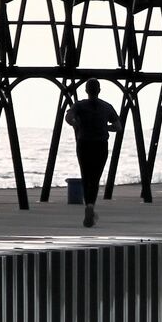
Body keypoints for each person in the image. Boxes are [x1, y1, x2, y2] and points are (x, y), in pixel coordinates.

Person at [65, 79, 119, 227]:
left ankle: (88, 206)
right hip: (101, 145)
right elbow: (118, 126)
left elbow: (68, 117)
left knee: (85, 175)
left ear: (86, 90)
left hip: (84, 144)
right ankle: (90, 206)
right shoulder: (107, 107)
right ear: (99, 90)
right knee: (95, 178)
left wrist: (75, 123)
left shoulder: (80, 105)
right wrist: (104, 127)